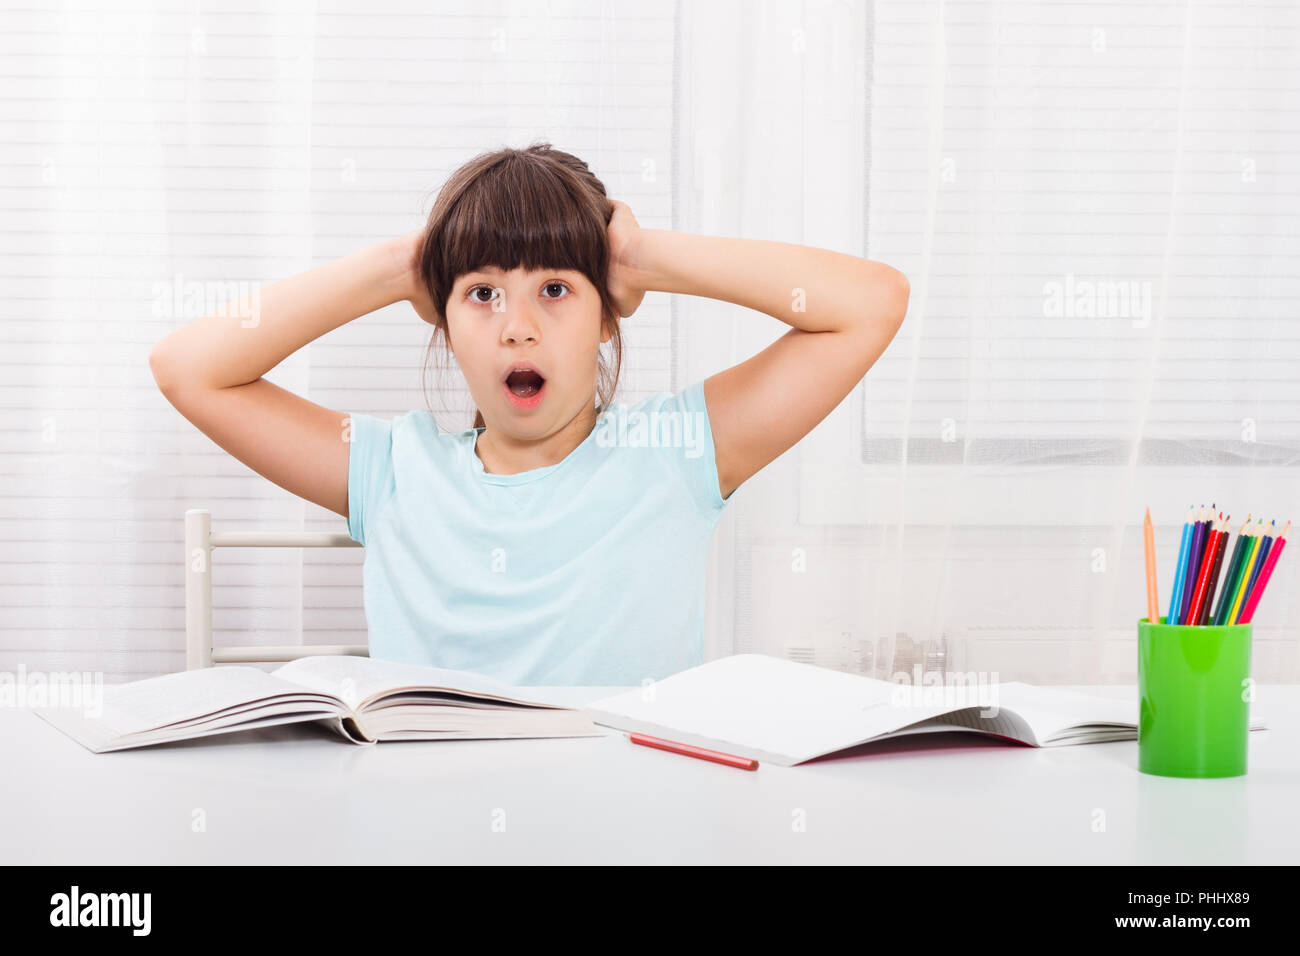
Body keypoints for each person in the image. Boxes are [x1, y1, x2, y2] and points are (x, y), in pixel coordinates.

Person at [149, 142, 910, 685]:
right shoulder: (389, 471)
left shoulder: (677, 452)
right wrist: (394, 268)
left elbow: (871, 304)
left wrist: (645, 257)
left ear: (607, 316)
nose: (518, 326)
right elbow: (188, 370)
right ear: (441, 322)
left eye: (555, 289)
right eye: (481, 293)